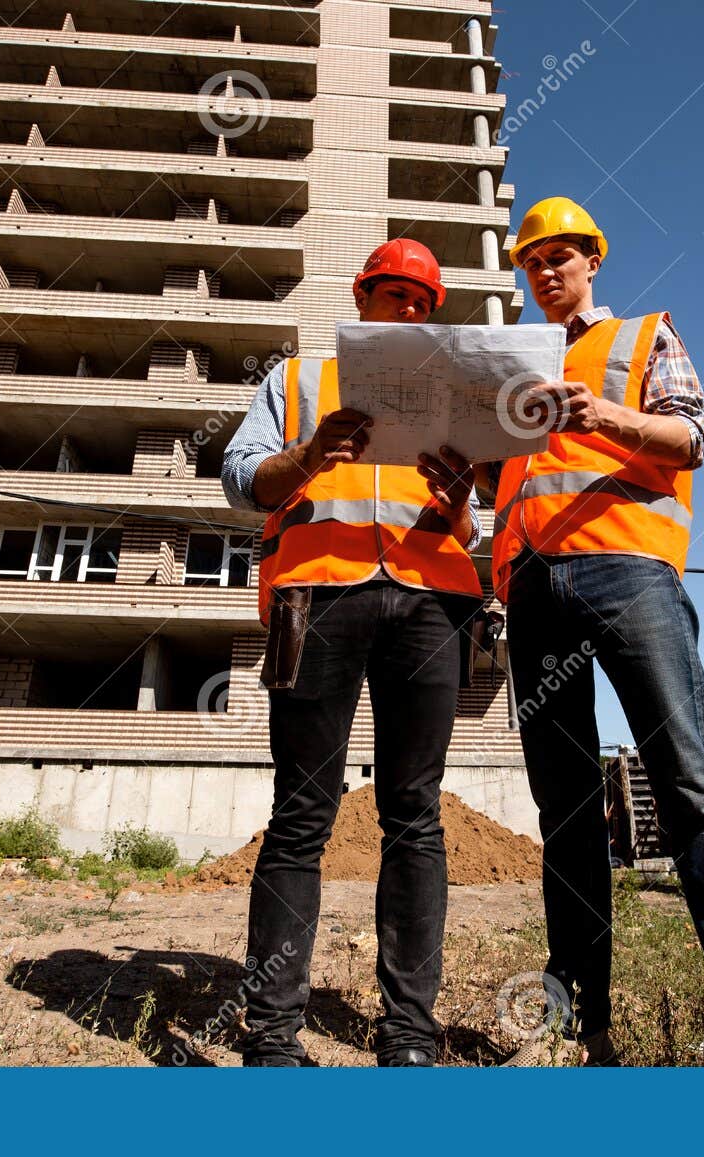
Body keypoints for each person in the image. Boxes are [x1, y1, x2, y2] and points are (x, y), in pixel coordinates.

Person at [491, 197, 704, 1066]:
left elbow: (691, 435)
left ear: (592, 261)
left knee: (697, 796)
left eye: (562, 256)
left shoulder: (642, 338)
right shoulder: (510, 375)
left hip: (626, 572)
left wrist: (600, 415)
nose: (547, 270)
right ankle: (576, 1026)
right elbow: (504, 487)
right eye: (534, 260)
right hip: (531, 593)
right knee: (563, 813)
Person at [221, 238, 482, 1067]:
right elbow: (237, 479)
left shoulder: (456, 396)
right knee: (302, 812)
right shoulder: (298, 380)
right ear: (362, 295)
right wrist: (307, 456)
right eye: (393, 294)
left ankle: (408, 1033)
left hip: (429, 603)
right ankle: (272, 1036)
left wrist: (463, 507)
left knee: (414, 811)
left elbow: (479, 531)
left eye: (421, 301)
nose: (407, 309)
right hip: (314, 596)